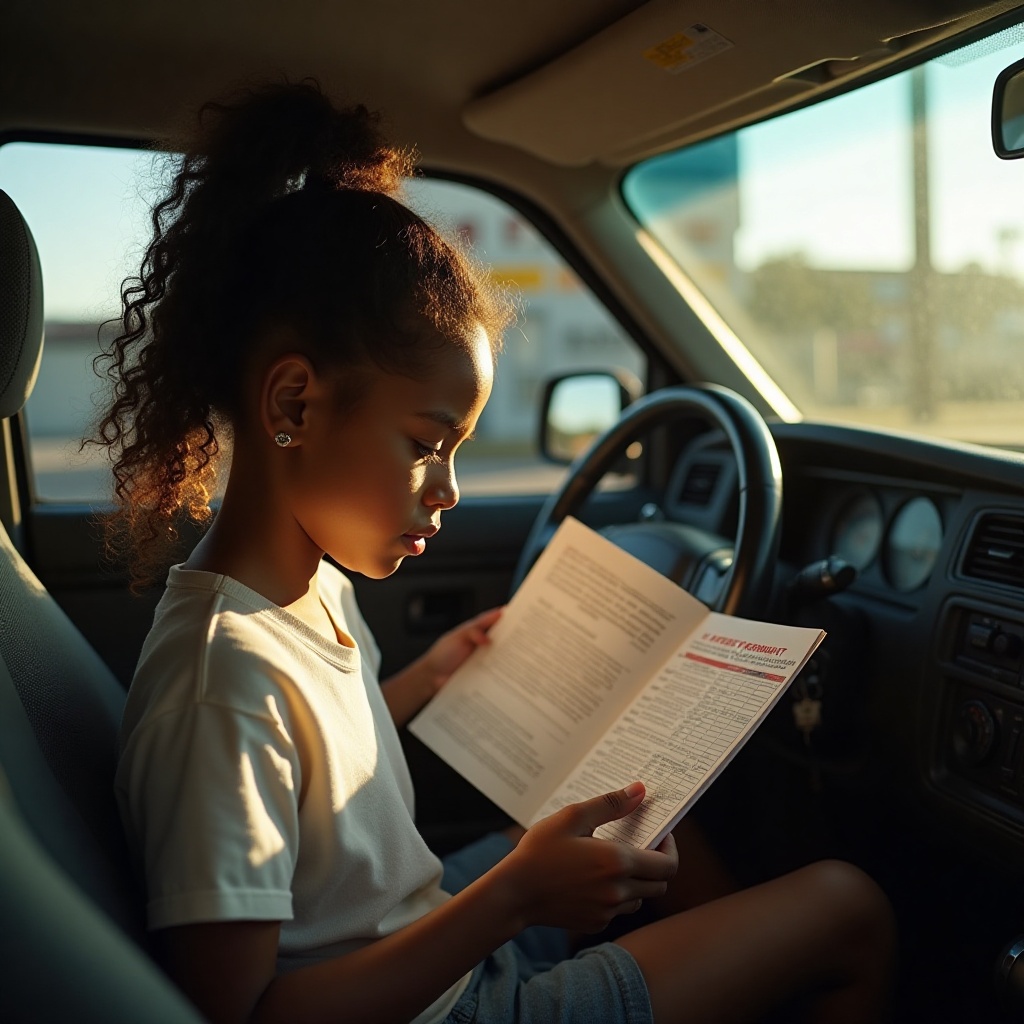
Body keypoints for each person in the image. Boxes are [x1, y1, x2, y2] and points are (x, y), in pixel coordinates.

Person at [97, 80, 897, 1024]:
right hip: (450, 1003)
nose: (448, 489)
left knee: (636, 818)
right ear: (293, 406)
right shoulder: (219, 683)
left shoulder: (299, 590)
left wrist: (429, 676)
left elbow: (308, 786)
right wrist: (513, 896)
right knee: (850, 906)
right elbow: (246, 1016)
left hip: (422, 936)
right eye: (426, 444)